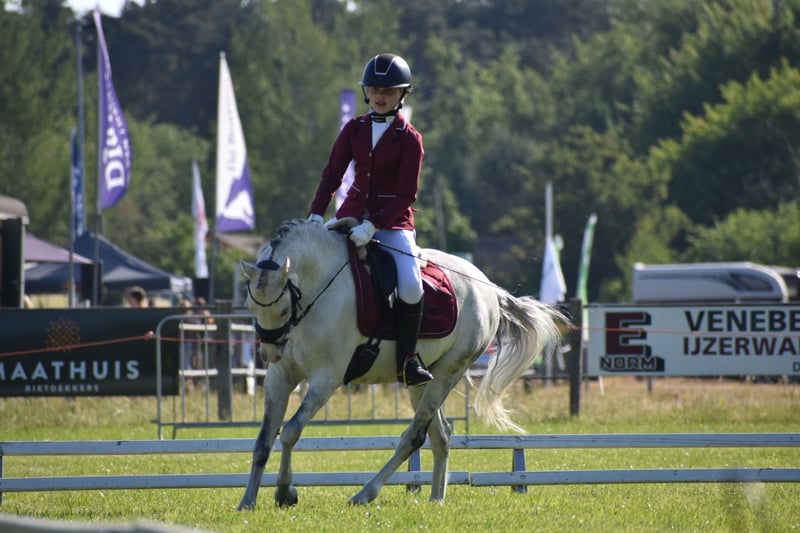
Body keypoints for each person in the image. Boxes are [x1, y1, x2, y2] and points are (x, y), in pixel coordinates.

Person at [307, 53, 433, 387]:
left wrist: (374, 225)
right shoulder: (354, 129)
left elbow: (407, 194)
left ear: (402, 94)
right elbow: (332, 174)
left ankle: (408, 360)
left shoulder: (410, 139)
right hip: (349, 215)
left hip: (392, 224)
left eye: (389, 91)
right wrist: (315, 214)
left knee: (410, 285)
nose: (380, 96)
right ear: (366, 92)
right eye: (375, 89)